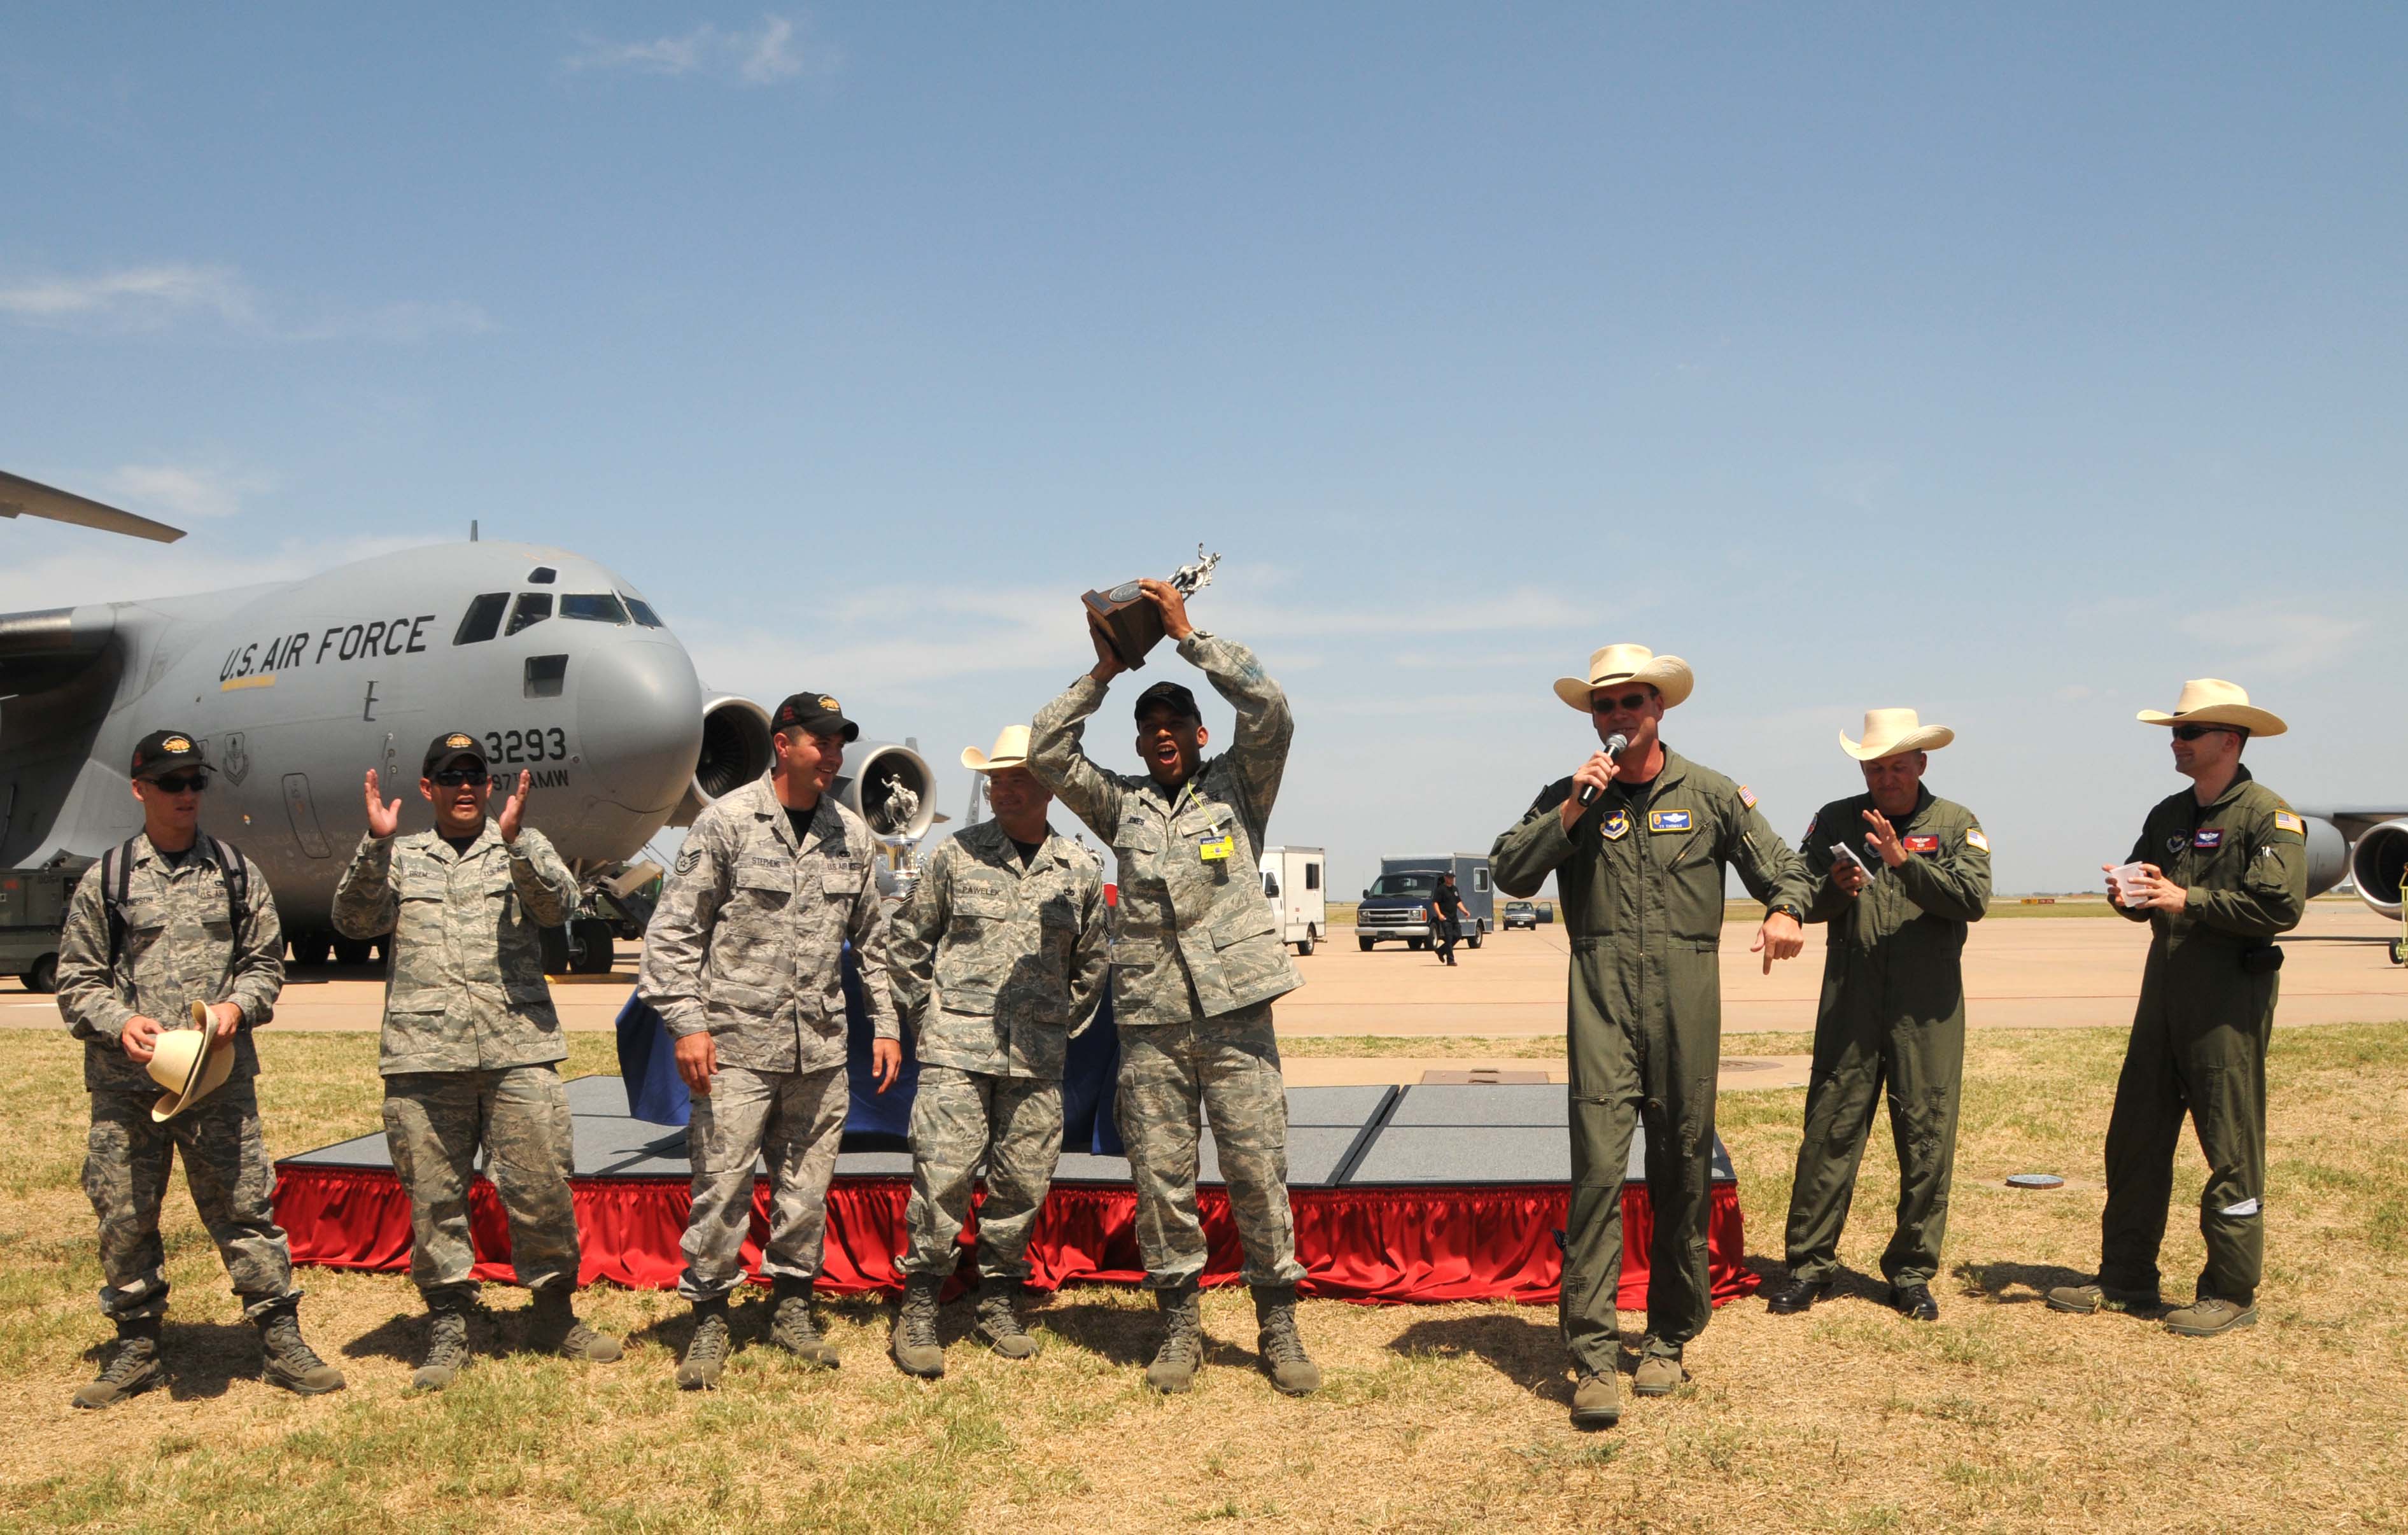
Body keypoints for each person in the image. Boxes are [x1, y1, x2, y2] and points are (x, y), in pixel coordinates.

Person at [1491, 645, 1810, 1429]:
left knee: (1681, 1170)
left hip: (1685, 1006)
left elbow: (1786, 869)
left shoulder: (1708, 795)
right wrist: (1572, 809)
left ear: (1659, 708)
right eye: (1605, 707)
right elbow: (1510, 871)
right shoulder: (1570, 795)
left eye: (1632, 702)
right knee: (1598, 1176)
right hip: (1600, 1005)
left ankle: (1669, 1336)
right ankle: (1595, 1356)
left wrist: (1784, 912)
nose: (1618, 717)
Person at [1027, 578, 1320, 1396]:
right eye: (1147, 729)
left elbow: (1272, 712)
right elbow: (1048, 752)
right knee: (1162, 1178)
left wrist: (1190, 637)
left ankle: (1277, 1321)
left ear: (1197, 734)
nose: (1161, 737)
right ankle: (1180, 1326)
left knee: (1257, 1169)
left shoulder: (1238, 789)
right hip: (1152, 1019)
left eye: (1174, 726)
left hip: (1234, 1015)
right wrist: (1104, 672)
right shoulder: (1118, 807)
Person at [55, 729, 344, 1408]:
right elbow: (76, 980)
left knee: (245, 1210)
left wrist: (239, 1010)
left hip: (217, 1081)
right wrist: (120, 1021)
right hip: (130, 1087)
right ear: (140, 790)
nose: (187, 795)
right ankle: (135, 1343)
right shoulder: (111, 878)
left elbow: (265, 965)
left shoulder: (237, 872)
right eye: (171, 783)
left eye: (195, 783)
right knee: (125, 1215)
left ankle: (280, 1336)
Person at [330, 732, 623, 1390]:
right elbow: (352, 921)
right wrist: (375, 844)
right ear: (428, 789)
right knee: (435, 1197)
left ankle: (553, 1314)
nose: (465, 787)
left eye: (475, 776)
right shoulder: (400, 857)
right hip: (424, 1055)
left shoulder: (522, 842)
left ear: (489, 787)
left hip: (518, 1048)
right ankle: (450, 1320)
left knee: (541, 1185)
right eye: (449, 776)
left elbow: (560, 909)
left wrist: (518, 846)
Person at [638, 691, 902, 1389]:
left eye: (841, 743)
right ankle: (710, 1318)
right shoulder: (725, 824)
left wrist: (886, 1025)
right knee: (721, 1188)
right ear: (785, 745)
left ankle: (791, 1306)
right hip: (736, 1048)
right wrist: (688, 1025)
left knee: (806, 1191)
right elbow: (672, 935)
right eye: (823, 743)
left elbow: (875, 941)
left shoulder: (850, 831)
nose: (835, 756)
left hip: (819, 1049)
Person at [2048, 680, 2307, 1337]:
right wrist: (2127, 893)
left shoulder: (2268, 816)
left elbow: (2280, 907)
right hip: (2161, 1004)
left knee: (2230, 1149)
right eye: (2175, 731)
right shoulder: (2168, 814)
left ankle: (2231, 1290)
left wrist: (2186, 901)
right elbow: (2149, 890)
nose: (2177, 742)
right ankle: (2126, 1277)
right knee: (2134, 1140)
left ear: (2229, 740)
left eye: (2189, 733)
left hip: (2225, 1008)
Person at [884, 725, 1109, 1378]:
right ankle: (921, 1303)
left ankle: (999, 1302)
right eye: (996, 779)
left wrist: (1060, 1027)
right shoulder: (956, 856)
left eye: (1017, 778)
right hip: (958, 1051)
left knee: (1022, 1183)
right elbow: (907, 943)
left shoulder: (1079, 870)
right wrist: (932, 1018)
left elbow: (1093, 962)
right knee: (942, 1178)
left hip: (1036, 1061)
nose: (1003, 789)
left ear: (1048, 786)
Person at [1766, 710, 1990, 1324]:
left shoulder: (1955, 823)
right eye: (1874, 766)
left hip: (1927, 1008)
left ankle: (1912, 1272)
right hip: (1852, 996)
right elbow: (1804, 890)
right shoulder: (1836, 817)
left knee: (1925, 1135)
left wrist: (1902, 862)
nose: (1885, 777)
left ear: (1921, 762)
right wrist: (1827, 890)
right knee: (1830, 1128)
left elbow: (1972, 899)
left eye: (1896, 765)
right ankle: (1809, 1265)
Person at [1429, 873, 1470, 966]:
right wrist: (1439, 915)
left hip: (1454, 917)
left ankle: (1440, 951)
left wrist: (1464, 911)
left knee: (1458, 935)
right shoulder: (1441, 890)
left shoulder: (1455, 889)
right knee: (1449, 937)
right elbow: (1435, 903)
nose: (1452, 879)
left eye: (1453, 877)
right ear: (1445, 878)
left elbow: (1458, 902)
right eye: (1450, 877)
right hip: (1445, 917)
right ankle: (1450, 960)